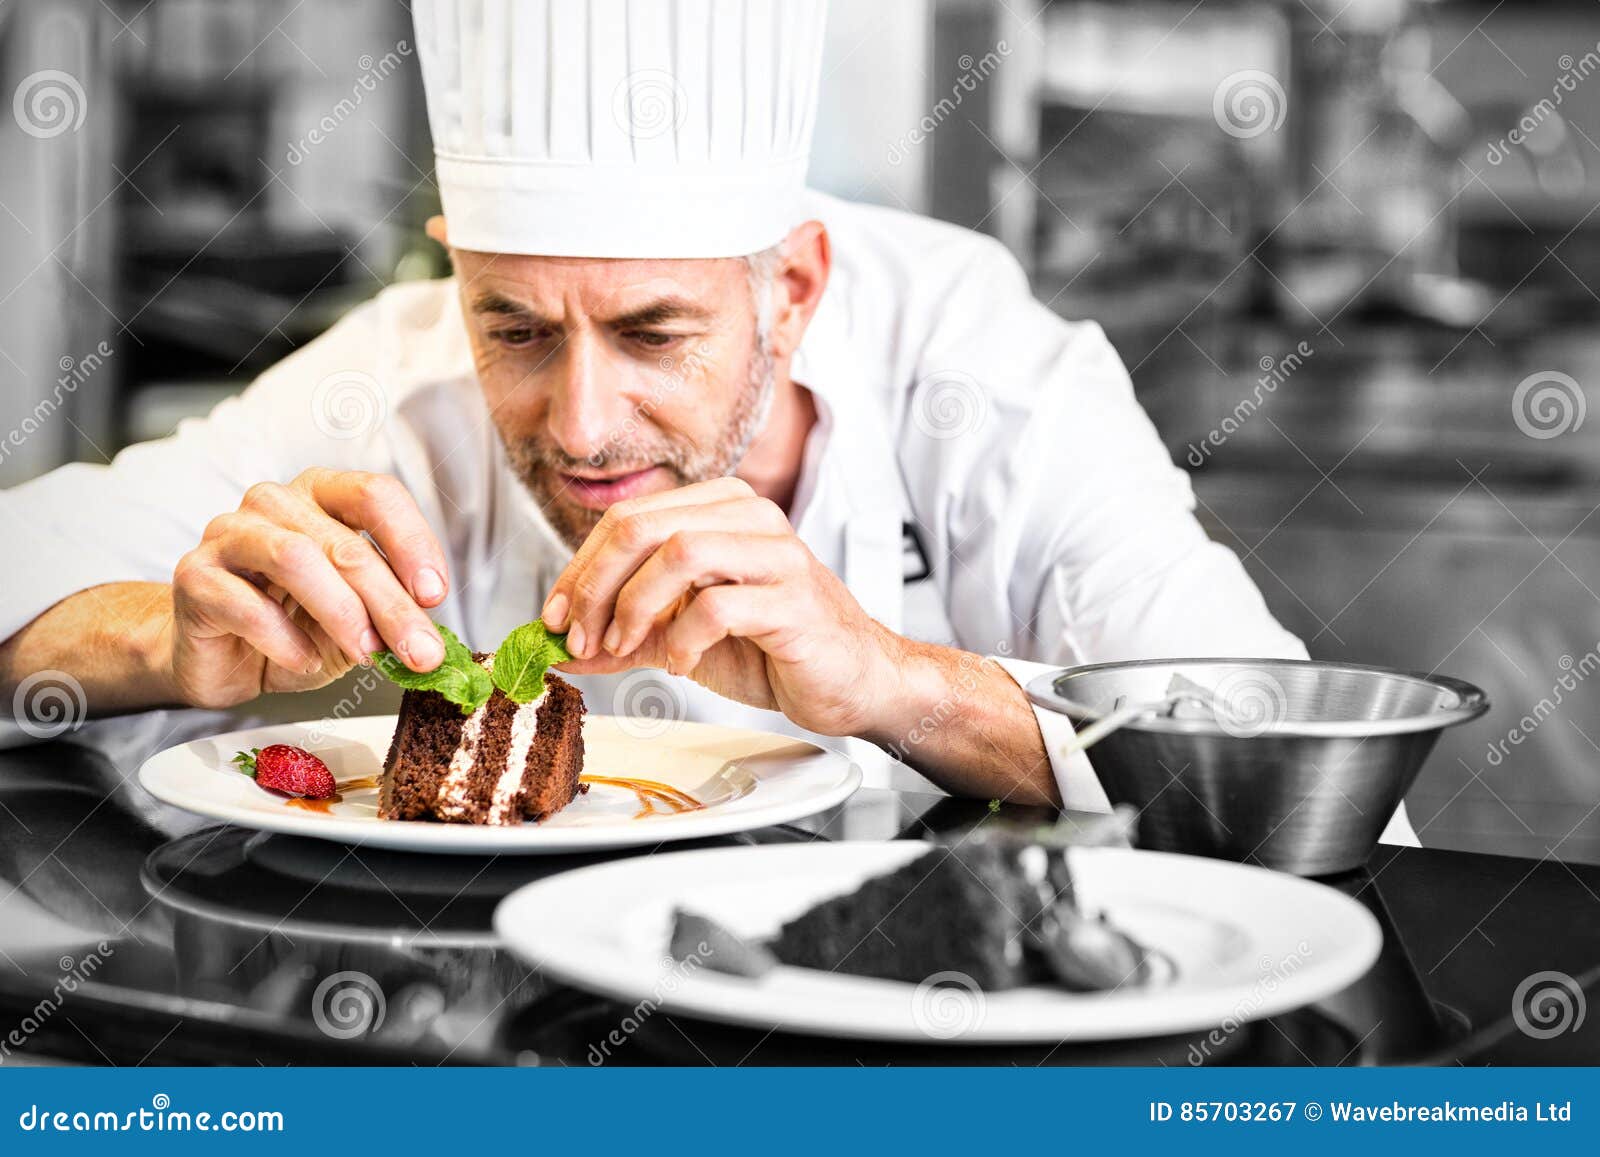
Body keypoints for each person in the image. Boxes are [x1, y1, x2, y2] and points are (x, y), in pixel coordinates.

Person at [0, 0, 1413, 839]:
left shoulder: (991, 378)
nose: (583, 422)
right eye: (517, 329)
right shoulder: (399, 377)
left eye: (653, 332)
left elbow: (1304, 779)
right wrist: (152, 636)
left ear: (790, 290)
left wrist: (895, 681)